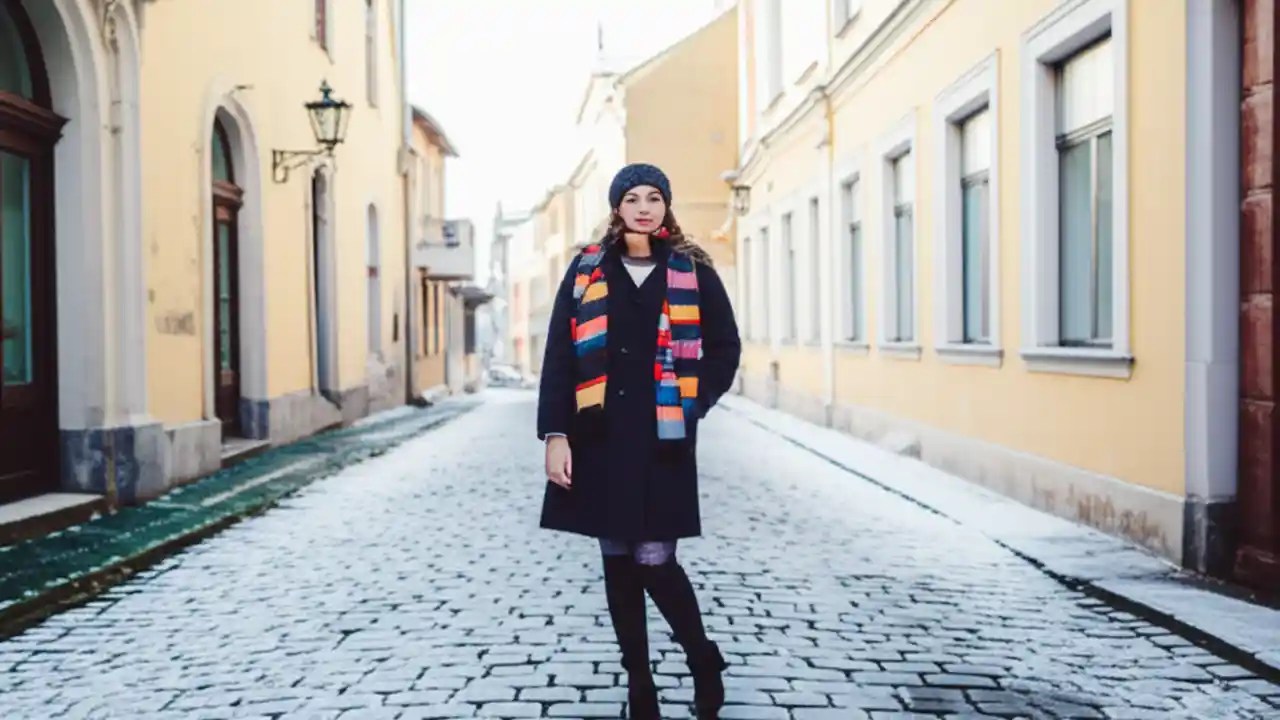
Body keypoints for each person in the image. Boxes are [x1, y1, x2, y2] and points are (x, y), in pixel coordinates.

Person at [536, 163, 742, 720]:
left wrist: (694, 402)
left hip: (663, 439)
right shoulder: (585, 270)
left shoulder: (692, 270)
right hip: (598, 435)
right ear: (617, 208)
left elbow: (725, 347)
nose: (644, 207)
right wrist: (556, 435)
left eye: (654, 197)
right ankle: (639, 683)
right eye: (633, 198)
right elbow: (558, 356)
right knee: (617, 563)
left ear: (666, 206)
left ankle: (702, 660)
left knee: (654, 558)